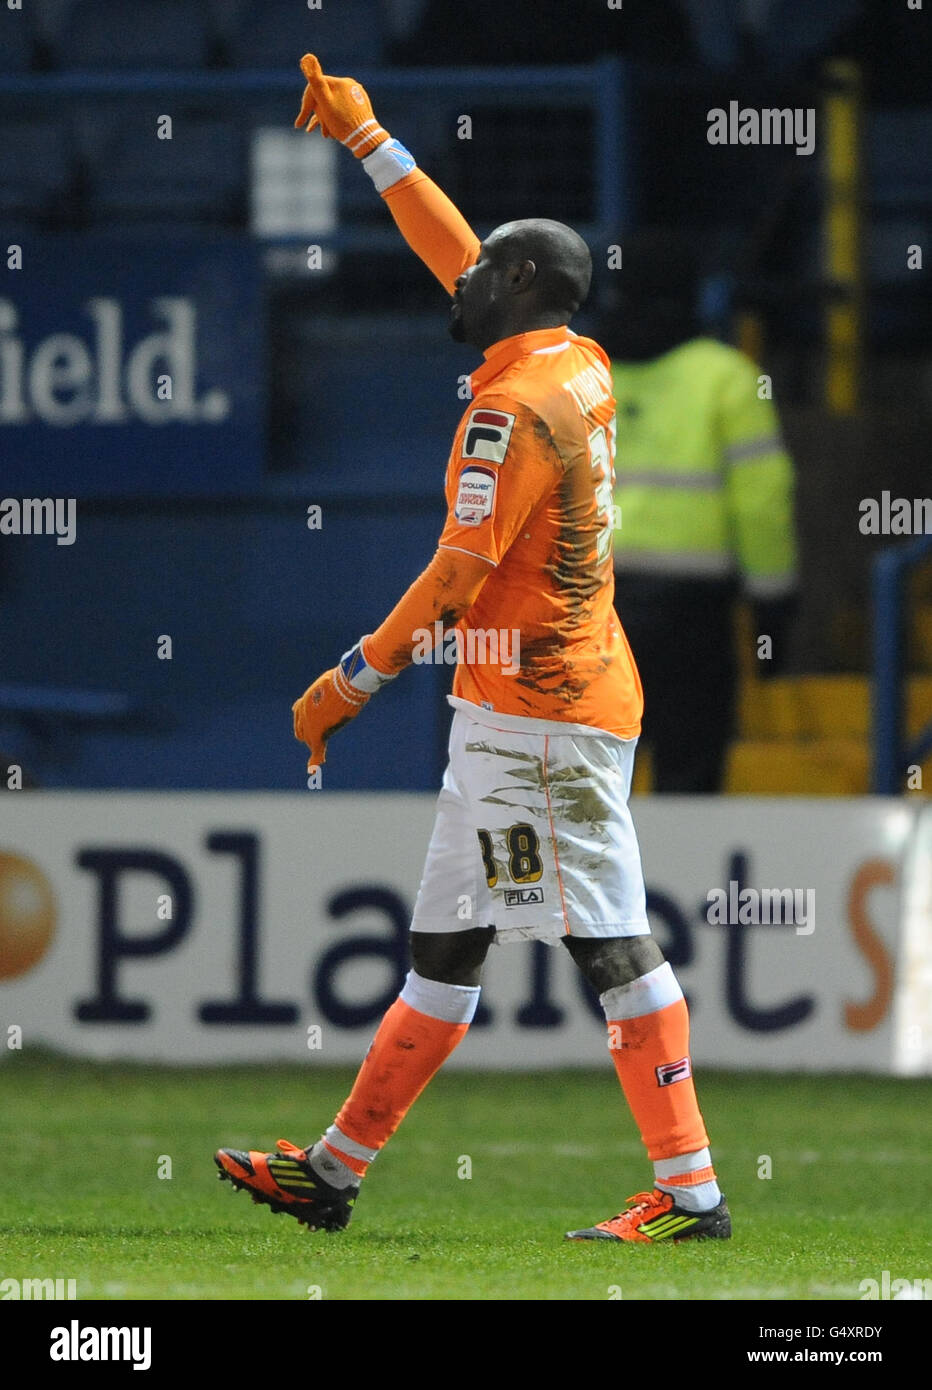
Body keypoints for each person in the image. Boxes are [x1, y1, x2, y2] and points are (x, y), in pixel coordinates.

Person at [215, 56, 730, 1245]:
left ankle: (691, 1190)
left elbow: (454, 578)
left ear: (523, 286)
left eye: (487, 264)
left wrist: (347, 681)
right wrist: (368, 136)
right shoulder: (570, 360)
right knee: (449, 942)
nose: (464, 271)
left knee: (606, 939)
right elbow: (449, 246)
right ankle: (332, 1171)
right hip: (511, 718)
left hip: (545, 718)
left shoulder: (510, 414)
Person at [606, 229, 798, 793]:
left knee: (583, 786)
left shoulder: (575, 372)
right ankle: (677, 881)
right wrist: (774, 606)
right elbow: (763, 503)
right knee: (690, 773)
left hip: (588, 608)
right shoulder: (728, 378)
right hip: (693, 616)